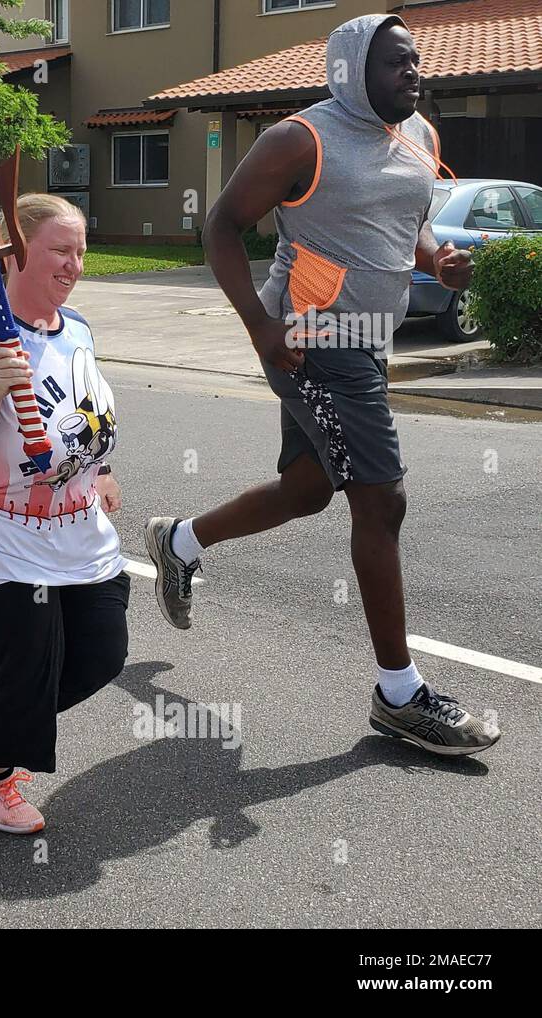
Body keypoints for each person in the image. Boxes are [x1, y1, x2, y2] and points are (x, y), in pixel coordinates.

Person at [144, 14, 499, 756]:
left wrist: (437, 264)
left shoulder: (419, 137)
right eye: (397, 62)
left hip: (367, 344)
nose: (414, 73)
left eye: (417, 62)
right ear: (351, 70)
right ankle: (398, 694)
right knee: (381, 498)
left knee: (308, 489)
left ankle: (180, 540)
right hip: (308, 342)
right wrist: (259, 328)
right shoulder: (298, 139)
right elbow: (221, 226)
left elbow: (409, 226)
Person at [0, 193, 129, 835]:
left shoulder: (79, 330)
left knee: (100, 653)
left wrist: (98, 470)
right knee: (33, 654)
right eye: (60, 252)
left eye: (80, 253)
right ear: (17, 254)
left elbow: (80, 412)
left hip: (75, 527)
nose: (74, 266)